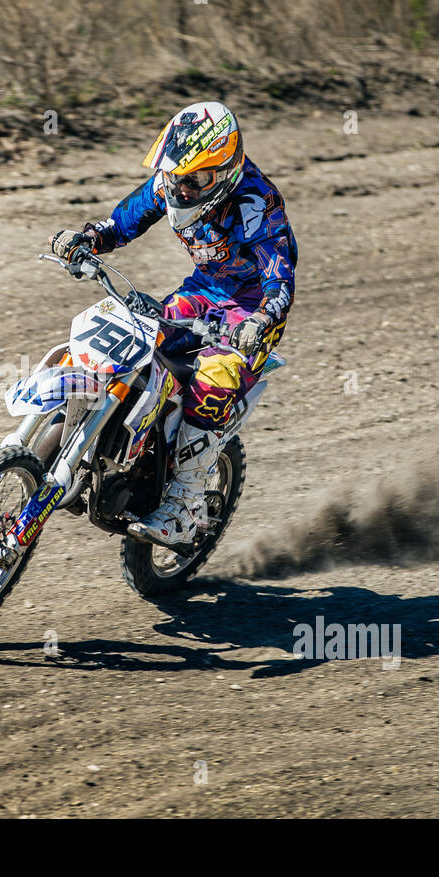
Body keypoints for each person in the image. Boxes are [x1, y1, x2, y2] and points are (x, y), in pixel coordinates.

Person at [47, 100, 297, 547]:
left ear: (225, 169)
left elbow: (279, 278)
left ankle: (183, 504)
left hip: (250, 307)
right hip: (204, 291)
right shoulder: (173, 182)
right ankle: (114, 441)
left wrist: (261, 319)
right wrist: (87, 239)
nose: (182, 189)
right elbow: (123, 222)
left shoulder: (257, 204)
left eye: (196, 180)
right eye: (178, 177)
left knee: (213, 376)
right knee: (135, 335)